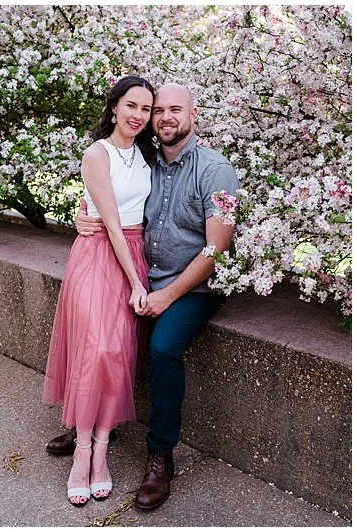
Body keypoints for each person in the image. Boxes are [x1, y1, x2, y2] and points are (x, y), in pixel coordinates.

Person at [68, 83, 238, 511]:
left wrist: (166, 297)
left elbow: (217, 248)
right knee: (103, 340)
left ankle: (160, 455)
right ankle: (83, 429)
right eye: (154, 110)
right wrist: (82, 214)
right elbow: (111, 197)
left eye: (171, 110)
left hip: (193, 285)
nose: (161, 117)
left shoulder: (215, 169)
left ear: (192, 114)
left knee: (161, 347)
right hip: (143, 274)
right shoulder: (149, 160)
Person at [41, 76, 156, 507]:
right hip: (99, 257)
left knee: (120, 352)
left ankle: (102, 448)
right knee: (96, 351)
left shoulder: (147, 154)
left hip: (135, 251)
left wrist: (138, 273)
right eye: (131, 105)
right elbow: (108, 221)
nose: (138, 116)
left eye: (145, 109)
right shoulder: (97, 153)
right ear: (113, 106)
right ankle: (82, 451)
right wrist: (135, 282)